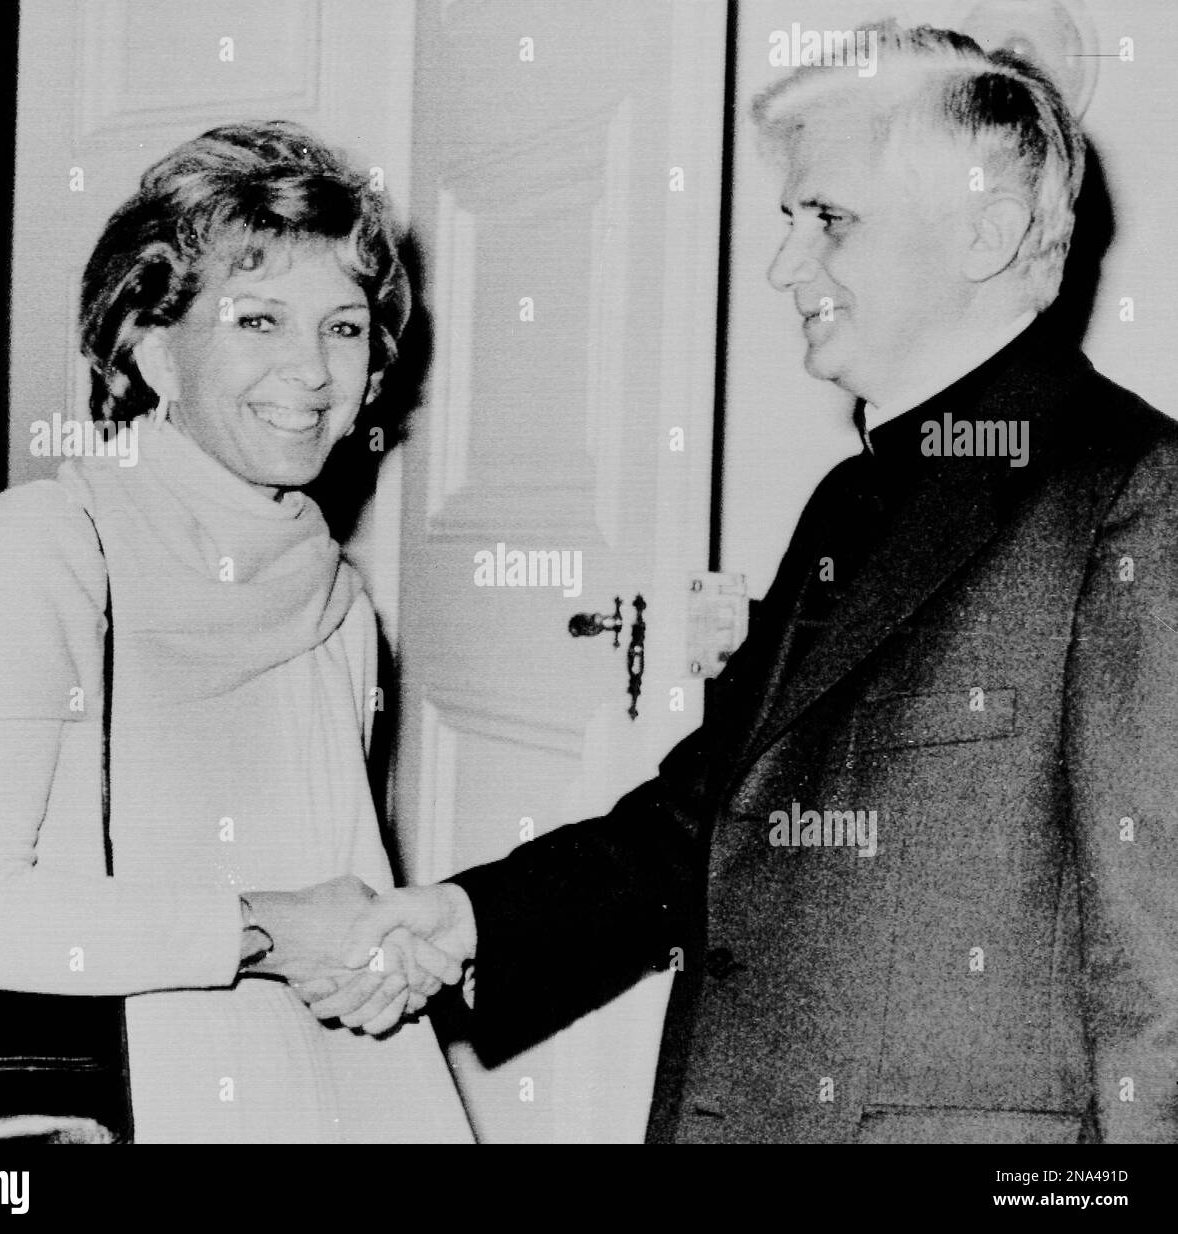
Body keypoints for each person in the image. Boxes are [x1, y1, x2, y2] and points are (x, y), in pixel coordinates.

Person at [328, 23, 1178, 1143]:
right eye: (789, 223)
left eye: (826, 219)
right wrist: (471, 917)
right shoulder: (848, 495)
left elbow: (1160, 966)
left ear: (990, 230)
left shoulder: (1133, 495)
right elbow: (704, 814)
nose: (785, 265)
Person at [0, 121, 470, 1143]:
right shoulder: (53, 544)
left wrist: (393, 950)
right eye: (257, 321)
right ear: (153, 346)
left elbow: (343, 899)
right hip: (112, 1101)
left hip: (318, 1091)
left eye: (342, 327)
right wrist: (270, 930)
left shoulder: (335, 600)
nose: (312, 371)